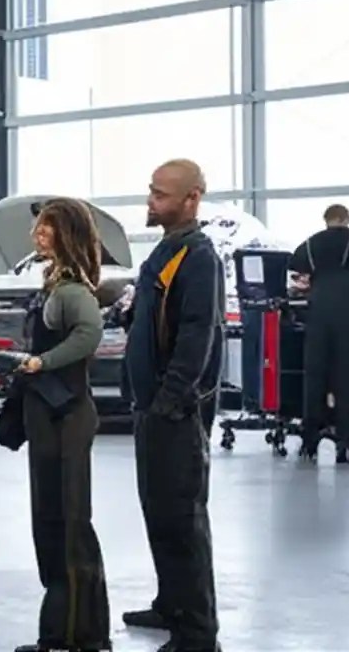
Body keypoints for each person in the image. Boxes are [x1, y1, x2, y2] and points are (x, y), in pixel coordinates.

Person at [121, 159, 223, 652]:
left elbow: (196, 335)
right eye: (151, 191)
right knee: (158, 513)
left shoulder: (198, 257)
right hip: (149, 408)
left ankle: (198, 633)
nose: (151, 201)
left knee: (182, 520)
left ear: (192, 198)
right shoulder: (166, 251)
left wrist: (171, 399)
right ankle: (171, 603)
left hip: (174, 413)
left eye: (161, 194)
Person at [12, 198, 111, 652]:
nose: (38, 232)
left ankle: (80, 635)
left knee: (68, 523)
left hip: (66, 413)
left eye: (47, 225)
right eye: (38, 225)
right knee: (50, 519)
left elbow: (88, 335)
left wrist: (42, 361)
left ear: (65, 231)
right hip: (50, 413)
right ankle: (59, 630)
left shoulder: (71, 290)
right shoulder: (52, 283)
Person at [288, 203, 349, 463]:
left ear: (326, 219)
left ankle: (310, 439)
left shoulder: (310, 243)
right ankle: (346, 441)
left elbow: (295, 271)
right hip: (348, 312)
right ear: (347, 219)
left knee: (315, 374)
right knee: (348, 375)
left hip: (317, 312)